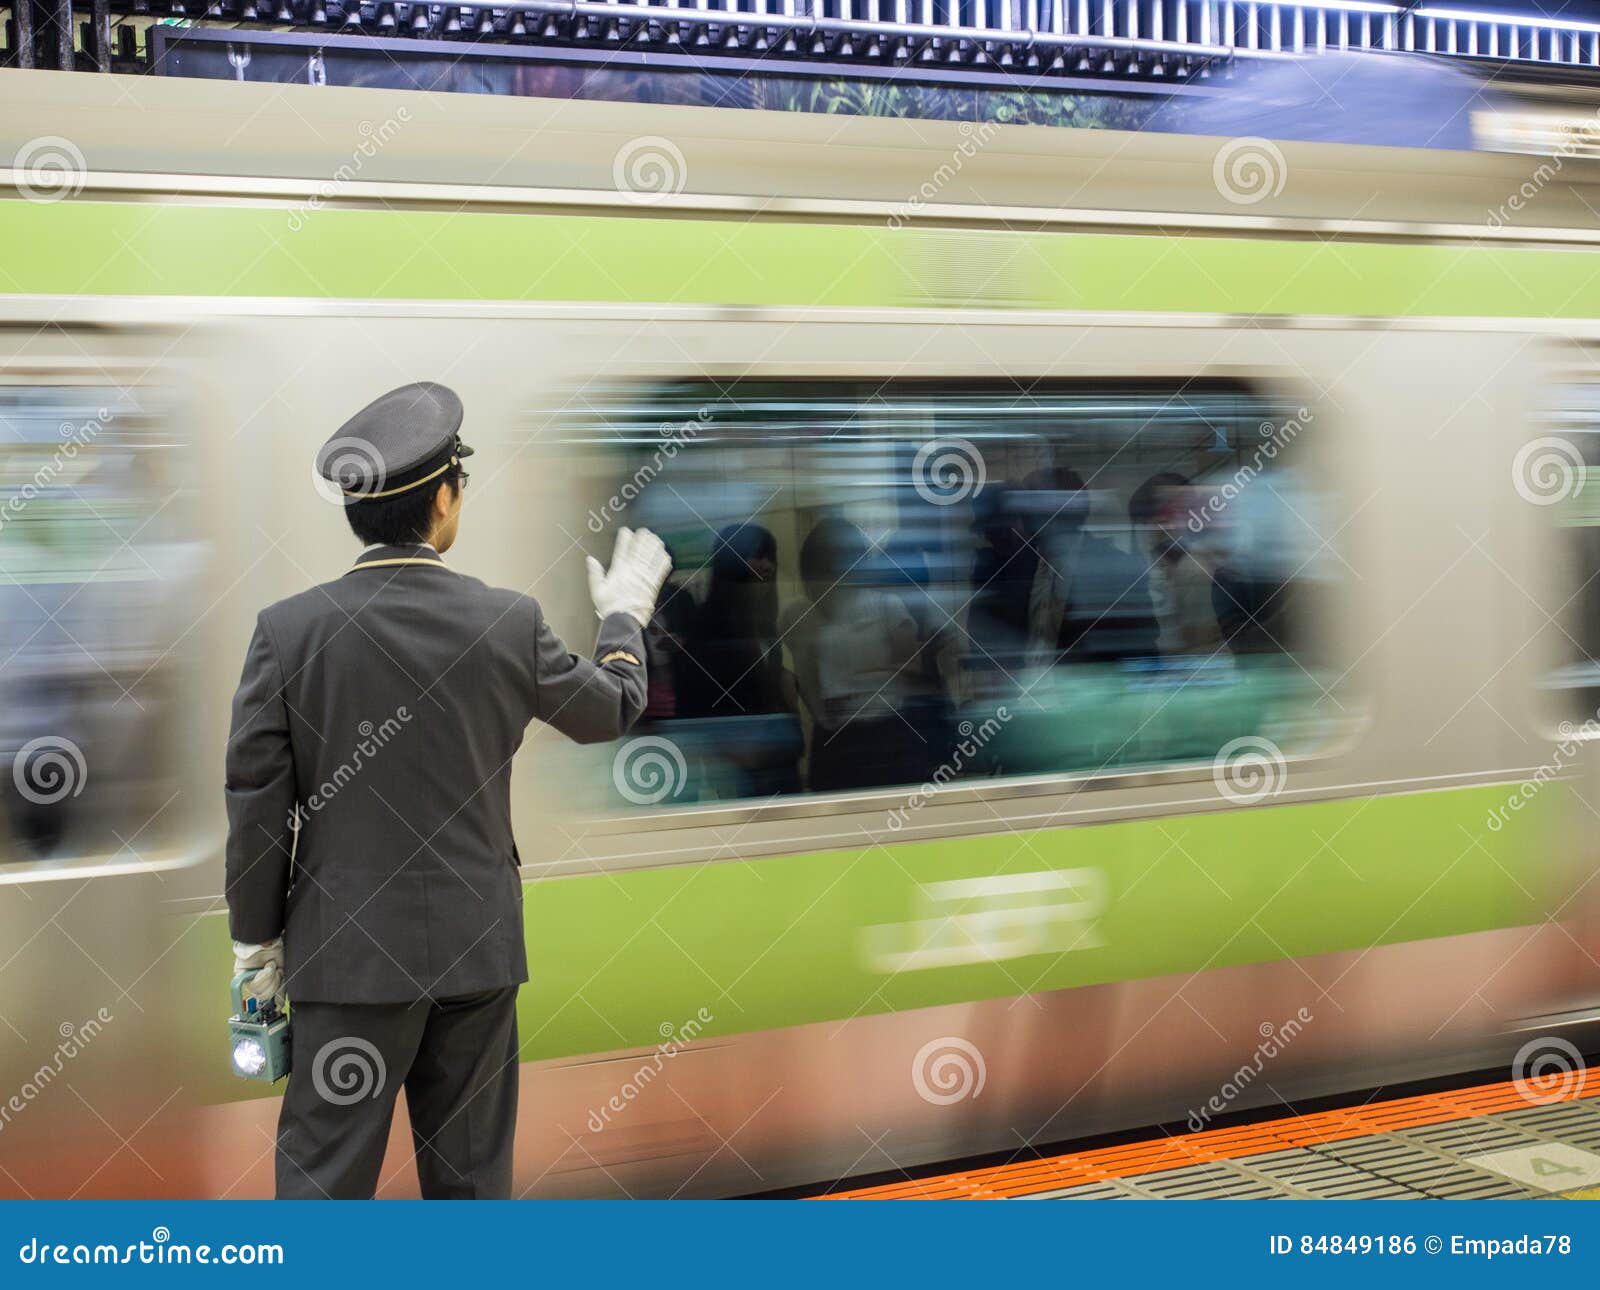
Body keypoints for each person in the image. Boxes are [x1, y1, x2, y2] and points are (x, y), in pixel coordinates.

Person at [223, 382, 670, 1200]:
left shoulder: (287, 633)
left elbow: (256, 808)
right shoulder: (506, 621)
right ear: (443, 499)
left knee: (323, 1191)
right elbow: (610, 712)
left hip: (346, 965)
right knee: (470, 1192)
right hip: (476, 953)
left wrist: (256, 946)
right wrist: (624, 617)